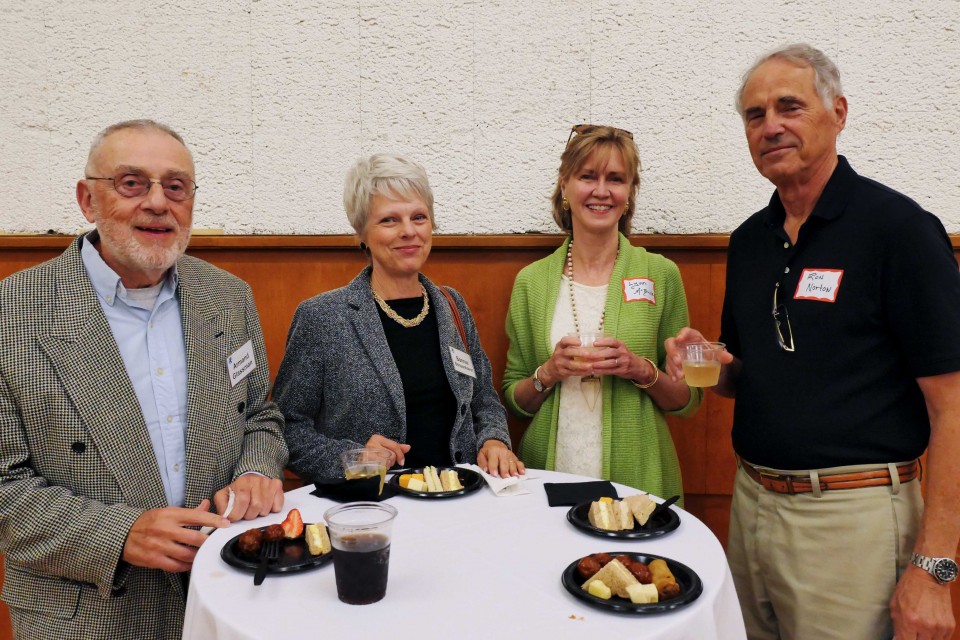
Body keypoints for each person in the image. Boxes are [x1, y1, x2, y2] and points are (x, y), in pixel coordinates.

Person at [666, 44, 960, 640]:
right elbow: (751, 376)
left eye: (789, 106)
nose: (770, 125)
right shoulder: (750, 241)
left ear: (839, 112)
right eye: (754, 115)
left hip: (852, 520)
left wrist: (934, 570)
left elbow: (953, 406)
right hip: (751, 508)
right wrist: (713, 363)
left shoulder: (899, 231)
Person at [0, 120, 289, 640]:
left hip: (227, 590)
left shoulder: (228, 297)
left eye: (175, 186)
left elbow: (260, 415)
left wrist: (254, 469)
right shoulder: (13, 314)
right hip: (89, 612)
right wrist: (121, 534)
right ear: (88, 200)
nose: (158, 203)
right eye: (132, 183)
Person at [274, 153, 521, 481]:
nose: (409, 231)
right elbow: (285, 430)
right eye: (389, 220)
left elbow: (483, 399)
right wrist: (352, 457)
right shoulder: (322, 318)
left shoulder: (453, 306)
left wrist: (494, 440)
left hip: (457, 501)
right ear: (361, 231)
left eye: (418, 217)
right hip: (372, 512)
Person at [502, 125, 702, 501]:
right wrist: (548, 372)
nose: (601, 190)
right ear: (565, 187)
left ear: (630, 192)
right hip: (550, 479)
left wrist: (641, 370)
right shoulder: (531, 282)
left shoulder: (660, 274)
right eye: (587, 176)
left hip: (637, 479)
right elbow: (515, 400)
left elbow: (687, 400)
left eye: (616, 179)